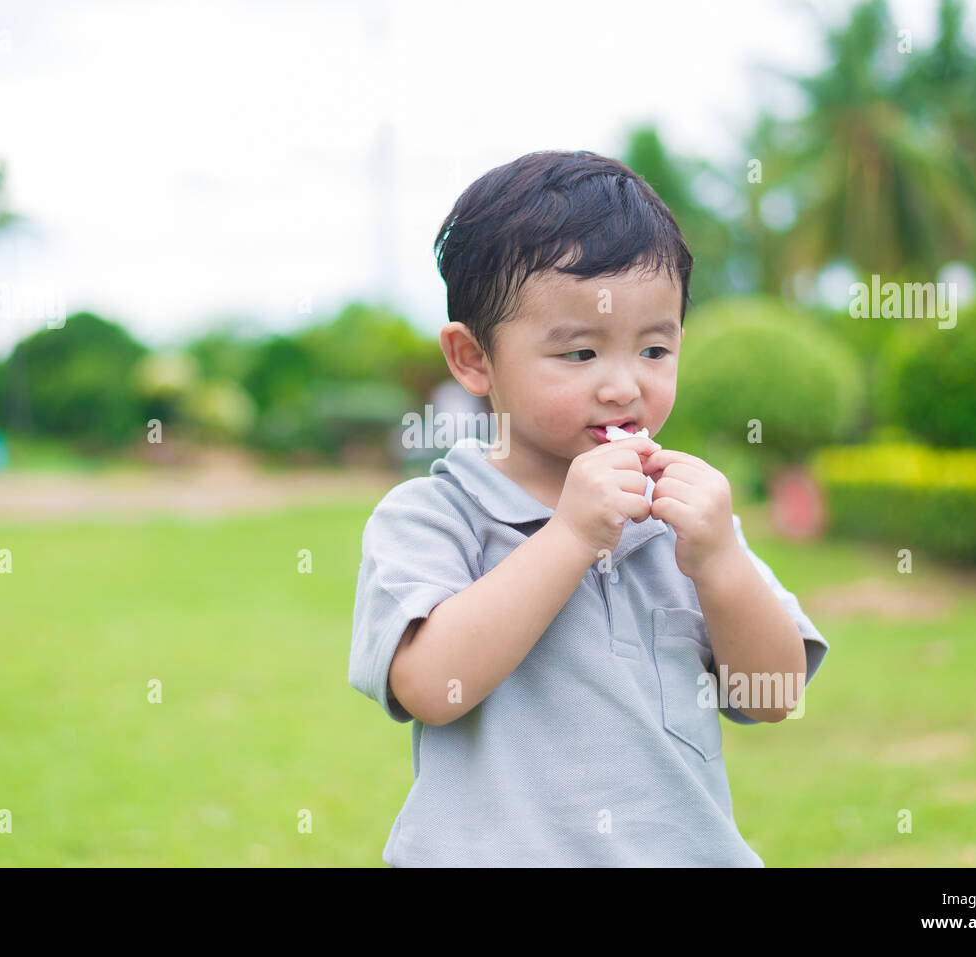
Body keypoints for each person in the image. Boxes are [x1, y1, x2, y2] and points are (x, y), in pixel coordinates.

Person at [349, 150, 829, 866]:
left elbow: (773, 693)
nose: (622, 386)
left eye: (655, 349)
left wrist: (722, 563)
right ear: (474, 358)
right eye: (579, 354)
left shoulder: (685, 514)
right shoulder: (432, 516)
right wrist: (571, 533)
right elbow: (430, 685)